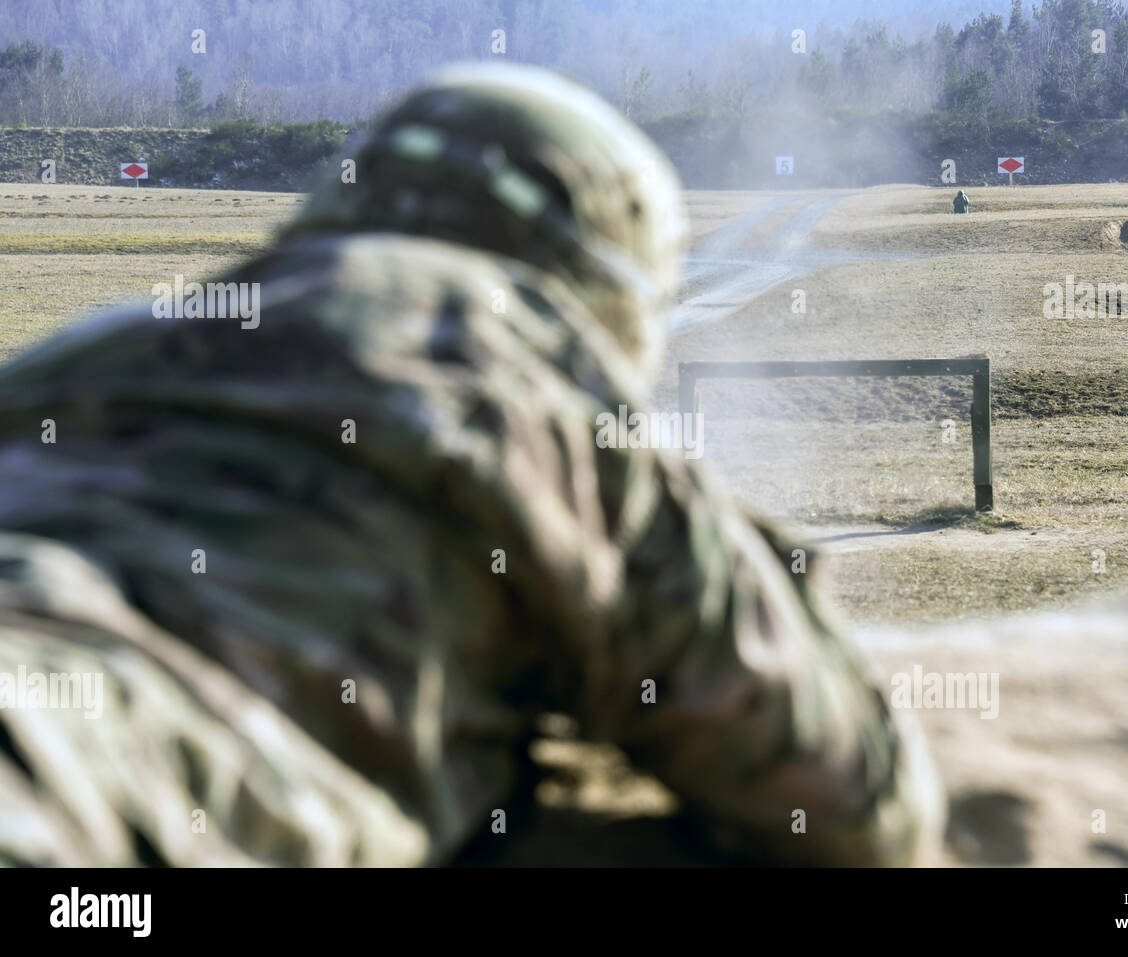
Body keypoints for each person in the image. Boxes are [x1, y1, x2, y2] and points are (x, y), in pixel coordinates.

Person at [0, 63, 943, 866]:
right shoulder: (529, 390)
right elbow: (853, 801)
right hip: (84, 800)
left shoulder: (90, 348)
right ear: (604, 290)